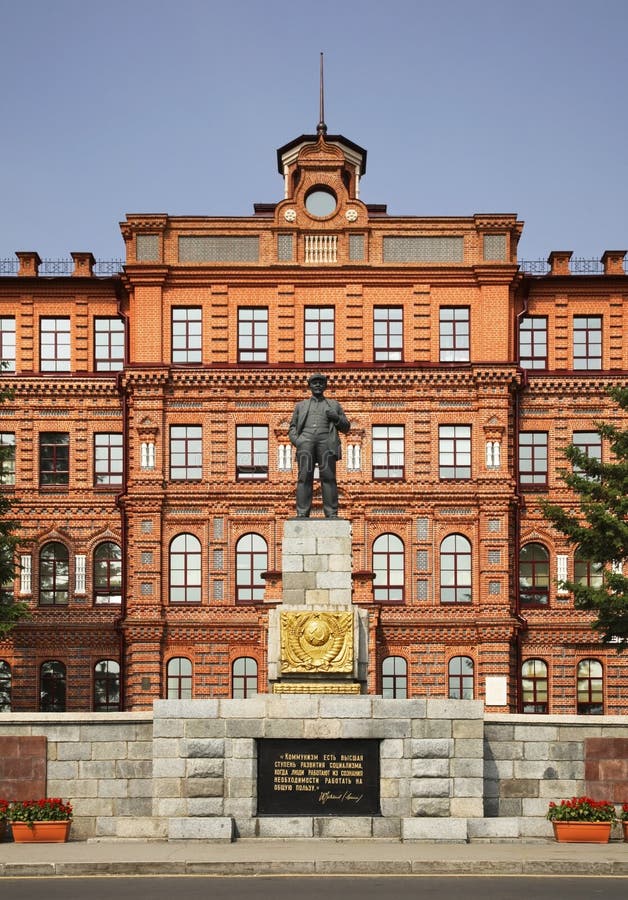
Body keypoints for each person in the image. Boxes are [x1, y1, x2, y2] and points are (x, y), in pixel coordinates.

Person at [288, 373, 350, 518]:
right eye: (314, 382)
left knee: (328, 477)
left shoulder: (334, 405)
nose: (317, 385)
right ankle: (302, 512)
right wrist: (298, 441)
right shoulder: (301, 406)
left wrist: (336, 418)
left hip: (326, 443)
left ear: (325, 386)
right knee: (304, 477)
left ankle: (331, 513)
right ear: (309, 386)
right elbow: (292, 427)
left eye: (320, 383)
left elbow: (346, 427)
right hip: (306, 443)